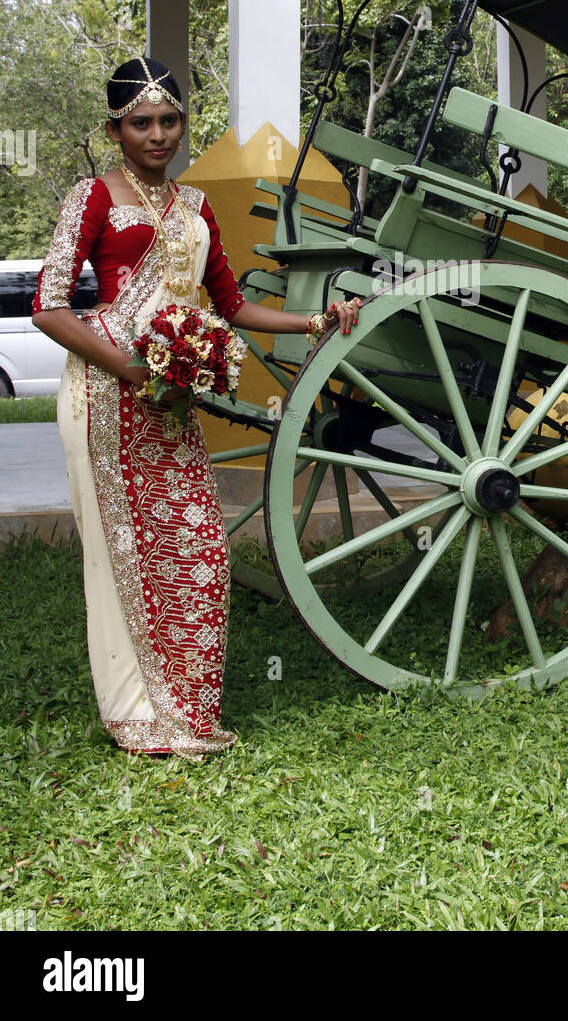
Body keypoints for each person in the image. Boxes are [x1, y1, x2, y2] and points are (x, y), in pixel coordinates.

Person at [32, 56, 361, 761]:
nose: (158, 134)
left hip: (170, 398)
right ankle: (139, 714)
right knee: (123, 550)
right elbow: (50, 307)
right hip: (105, 395)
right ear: (116, 129)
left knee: (197, 549)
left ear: (184, 124)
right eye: (141, 122)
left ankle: (187, 708)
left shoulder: (196, 207)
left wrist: (317, 323)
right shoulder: (92, 196)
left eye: (169, 120)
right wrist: (129, 368)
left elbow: (232, 305)